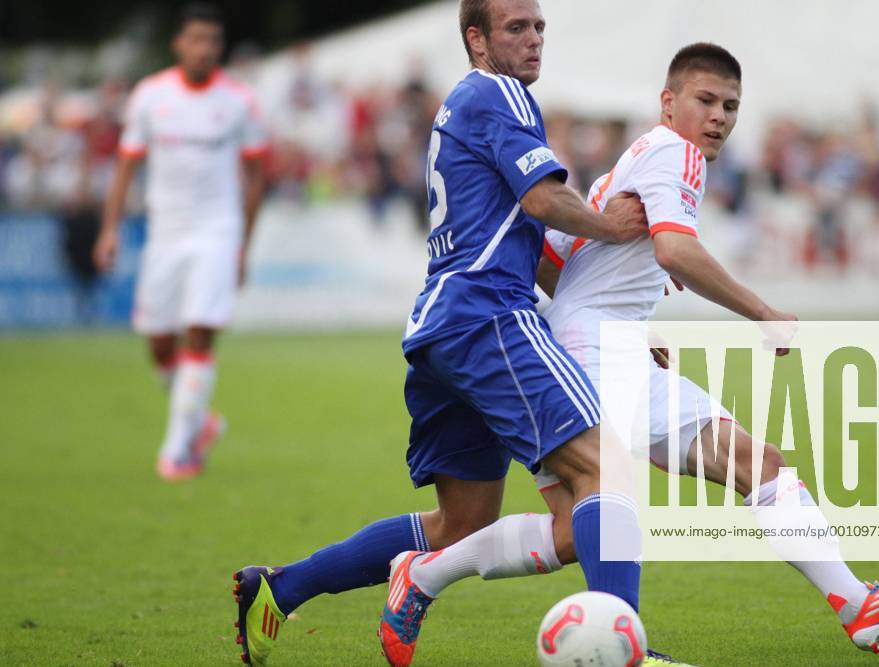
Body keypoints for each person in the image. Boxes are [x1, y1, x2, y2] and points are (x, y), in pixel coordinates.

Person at [389, 42, 879, 659]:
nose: (719, 117)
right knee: (600, 505)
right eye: (705, 100)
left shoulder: (633, 162)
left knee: (744, 465)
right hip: (591, 352)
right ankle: (451, 585)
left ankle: (854, 603)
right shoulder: (676, 153)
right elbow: (675, 252)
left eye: (731, 107)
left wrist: (624, 310)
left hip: (605, 344)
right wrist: (763, 314)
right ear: (668, 102)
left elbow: (553, 262)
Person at [230, 1, 654, 665]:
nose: (535, 39)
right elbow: (544, 201)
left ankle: (282, 587)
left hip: (442, 326)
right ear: (476, 40)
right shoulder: (499, 92)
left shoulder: (462, 104)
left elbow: (531, 241)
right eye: (517, 28)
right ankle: (631, 647)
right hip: (488, 315)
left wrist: (604, 316)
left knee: (461, 523)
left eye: (539, 26)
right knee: (605, 468)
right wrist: (618, 227)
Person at [94, 4, 267, 480]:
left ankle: (177, 449)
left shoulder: (238, 100)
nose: (205, 49)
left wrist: (242, 246)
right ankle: (201, 421)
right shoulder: (150, 95)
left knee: (200, 330)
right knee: (158, 342)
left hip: (217, 229)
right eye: (196, 40)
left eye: (213, 41)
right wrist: (109, 230)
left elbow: (256, 176)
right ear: (179, 44)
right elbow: (125, 166)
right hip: (165, 231)